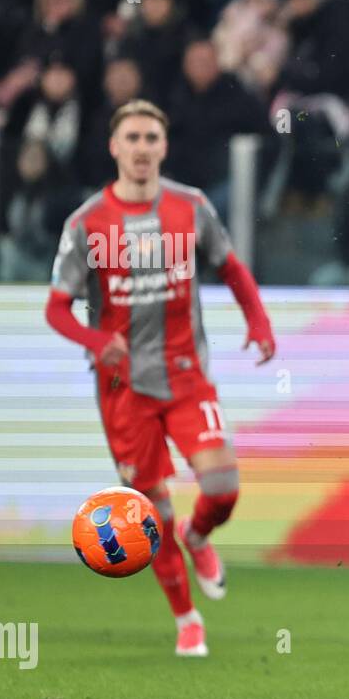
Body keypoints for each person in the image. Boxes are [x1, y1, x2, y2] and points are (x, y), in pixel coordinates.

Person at [45, 100, 276, 657]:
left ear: (163, 147)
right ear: (114, 146)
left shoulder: (191, 206)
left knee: (222, 487)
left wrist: (259, 320)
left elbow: (231, 267)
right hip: (124, 390)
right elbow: (55, 309)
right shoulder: (86, 224)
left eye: (152, 136)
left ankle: (199, 537)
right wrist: (99, 342)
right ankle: (187, 620)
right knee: (151, 512)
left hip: (187, 374)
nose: (143, 147)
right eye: (132, 137)